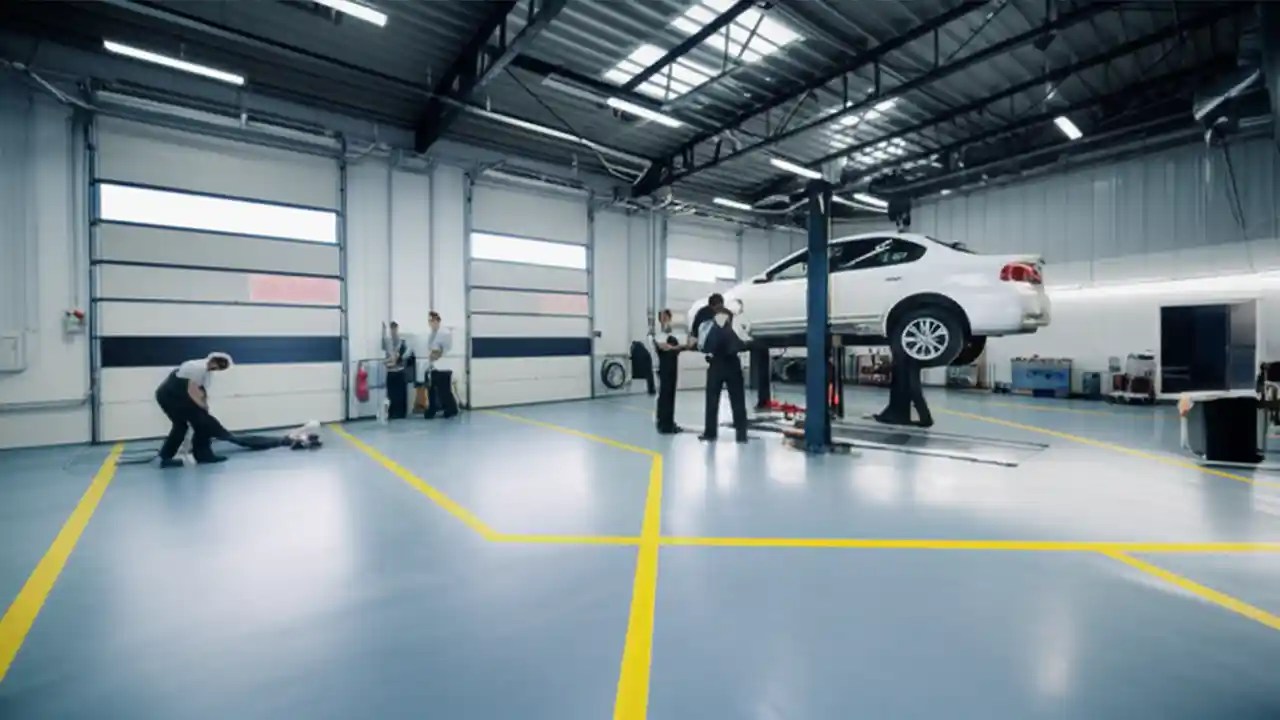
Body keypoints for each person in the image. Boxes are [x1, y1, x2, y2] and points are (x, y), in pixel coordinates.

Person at [154, 352, 234, 467]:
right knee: (189, 424)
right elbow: (192, 390)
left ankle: (199, 455)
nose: (218, 369)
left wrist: (205, 407)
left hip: (177, 396)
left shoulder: (206, 373)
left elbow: (201, 392)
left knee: (195, 424)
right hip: (169, 396)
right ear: (214, 361)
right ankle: (168, 458)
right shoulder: (196, 367)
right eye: (220, 366)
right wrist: (202, 408)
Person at [695, 294, 749, 443]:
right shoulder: (733, 317)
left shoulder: (712, 320)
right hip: (732, 362)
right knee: (738, 400)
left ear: (711, 305)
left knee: (712, 400)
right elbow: (743, 341)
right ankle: (741, 435)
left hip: (717, 362)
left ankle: (710, 433)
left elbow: (704, 344)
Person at [652, 309, 684, 434]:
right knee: (665, 396)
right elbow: (663, 347)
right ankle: (664, 424)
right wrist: (675, 347)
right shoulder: (659, 333)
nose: (665, 319)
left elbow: (678, 347)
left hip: (672, 366)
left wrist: (676, 347)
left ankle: (669, 422)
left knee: (670, 395)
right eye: (662, 317)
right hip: (664, 367)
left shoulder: (672, 333)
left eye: (666, 317)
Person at [423, 311, 458, 419]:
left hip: (444, 366)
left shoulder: (444, 333)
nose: (430, 323)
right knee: (431, 389)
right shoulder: (432, 334)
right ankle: (432, 409)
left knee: (444, 391)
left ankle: (451, 409)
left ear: (437, 320)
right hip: (434, 366)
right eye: (429, 321)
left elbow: (443, 350)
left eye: (432, 321)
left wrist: (436, 355)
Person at [384, 321, 410, 419]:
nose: (393, 331)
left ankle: (401, 413)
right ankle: (392, 413)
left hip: (399, 371)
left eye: (395, 329)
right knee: (391, 394)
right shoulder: (387, 342)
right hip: (390, 371)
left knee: (400, 394)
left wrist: (398, 358)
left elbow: (405, 355)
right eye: (392, 329)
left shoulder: (402, 342)